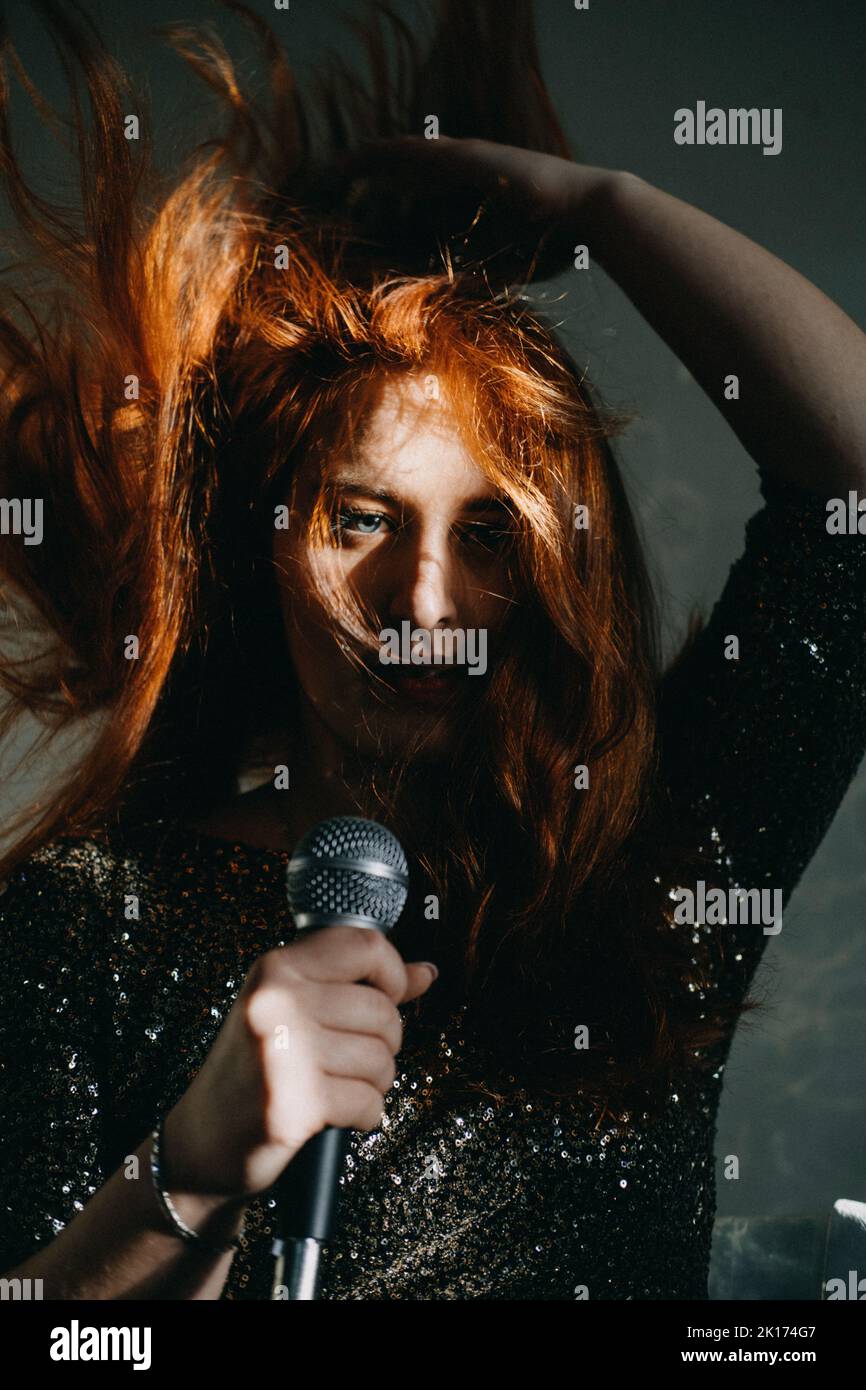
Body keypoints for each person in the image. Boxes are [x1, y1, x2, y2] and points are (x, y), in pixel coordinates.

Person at [1, 1, 865, 1300]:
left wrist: (600, 209)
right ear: (267, 546)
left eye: (486, 534)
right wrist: (191, 1170)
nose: (421, 594)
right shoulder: (82, 925)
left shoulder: (656, 869)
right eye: (362, 518)